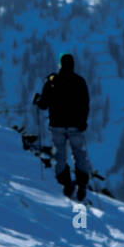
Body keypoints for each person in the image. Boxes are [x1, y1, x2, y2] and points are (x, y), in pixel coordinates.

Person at [33, 53, 91, 200]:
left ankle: (65, 184)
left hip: (57, 125)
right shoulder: (79, 81)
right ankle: (82, 183)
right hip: (76, 126)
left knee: (60, 155)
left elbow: (44, 104)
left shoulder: (52, 81)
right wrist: (83, 122)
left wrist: (38, 101)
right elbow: (85, 104)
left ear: (61, 64)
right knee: (79, 154)